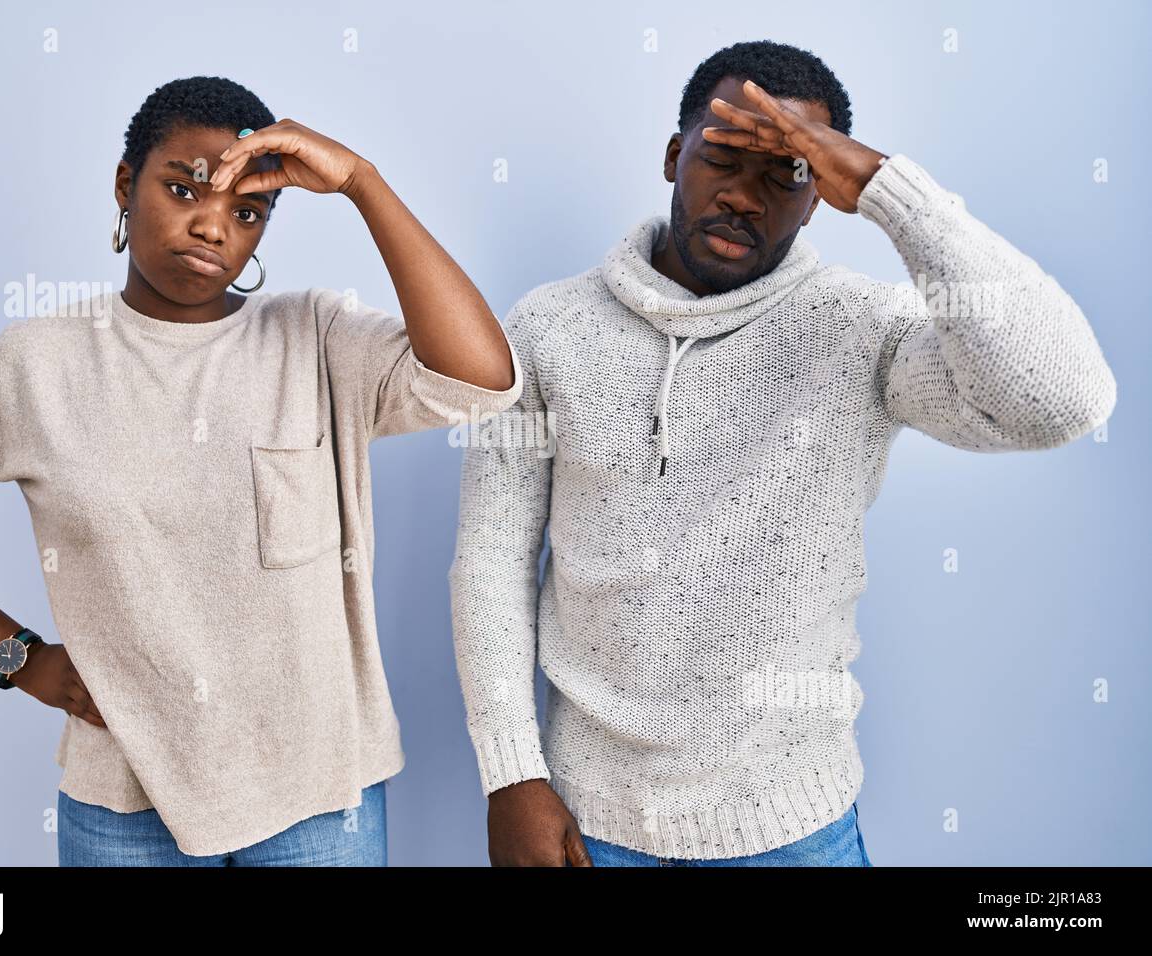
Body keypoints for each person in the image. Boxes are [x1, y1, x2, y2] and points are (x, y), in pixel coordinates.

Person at [448, 40, 1117, 867]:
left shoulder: (861, 329)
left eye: (787, 174)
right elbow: (491, 560)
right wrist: (511, 775)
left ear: (820, 198)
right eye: (722, 158)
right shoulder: (548, 328)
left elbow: (1064, 400)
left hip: (794, 830)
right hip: (589, 825)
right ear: (672, 155)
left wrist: (890, 193)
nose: (742, 197)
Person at [0, 75, 521, 866]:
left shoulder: (315, 336)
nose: (212, 228)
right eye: (182, 190)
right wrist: (21, 659)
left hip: (318, 797)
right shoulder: (29, 367)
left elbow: (480, 382)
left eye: (247, 213)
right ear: (124, 186)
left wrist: (361, 184)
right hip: (124, 803)